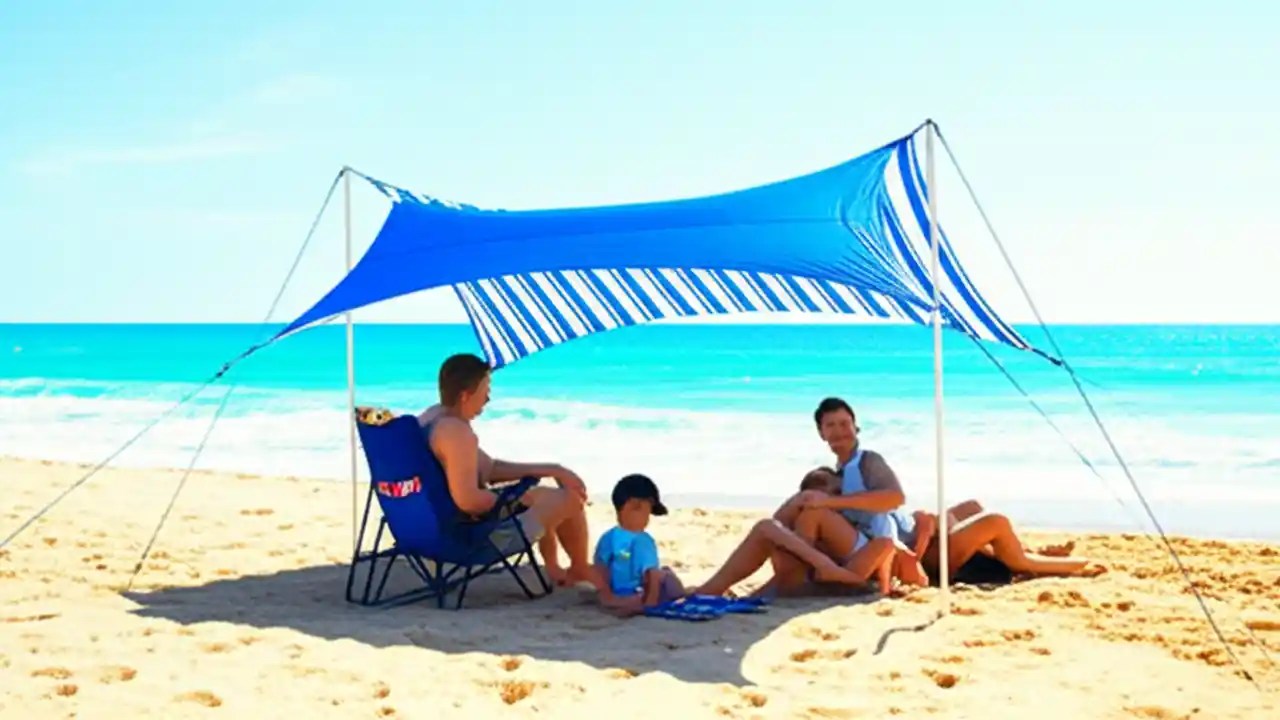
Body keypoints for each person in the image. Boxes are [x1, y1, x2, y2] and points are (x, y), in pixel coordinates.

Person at [419, 352, 594, 586]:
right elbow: (468, 500)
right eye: (485, 389)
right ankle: (579, 568)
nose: (488, 398)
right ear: (465, 396)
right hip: (473, 539)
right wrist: (519, 499)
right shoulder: (456, 433)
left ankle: (554, 567)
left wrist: (553, 469)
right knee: (570, 498)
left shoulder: (432, 418)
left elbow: (489, 469)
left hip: (431, 530)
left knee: (550, 490)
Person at [692, 467, 896, 598]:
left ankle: (709, 590)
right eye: (835, 492)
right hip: (808, 577)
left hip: (815, 578)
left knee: (768, 527)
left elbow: (887, 550)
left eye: (838, 493)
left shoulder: (834, 520)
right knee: (771, 528)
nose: (838, 499)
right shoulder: (814, 517)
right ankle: (710, 590)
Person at [589, 474, 685, 616]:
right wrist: (606, 595)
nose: (647, 519)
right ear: (636, 505)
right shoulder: (616, 539)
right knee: (661, 577)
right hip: (624, 593)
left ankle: (679, 591)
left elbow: (652, 575)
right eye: (647, 512)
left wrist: (648, 603)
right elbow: (600, 568)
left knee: (669, 583)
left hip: (642, 592)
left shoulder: (634, 539)